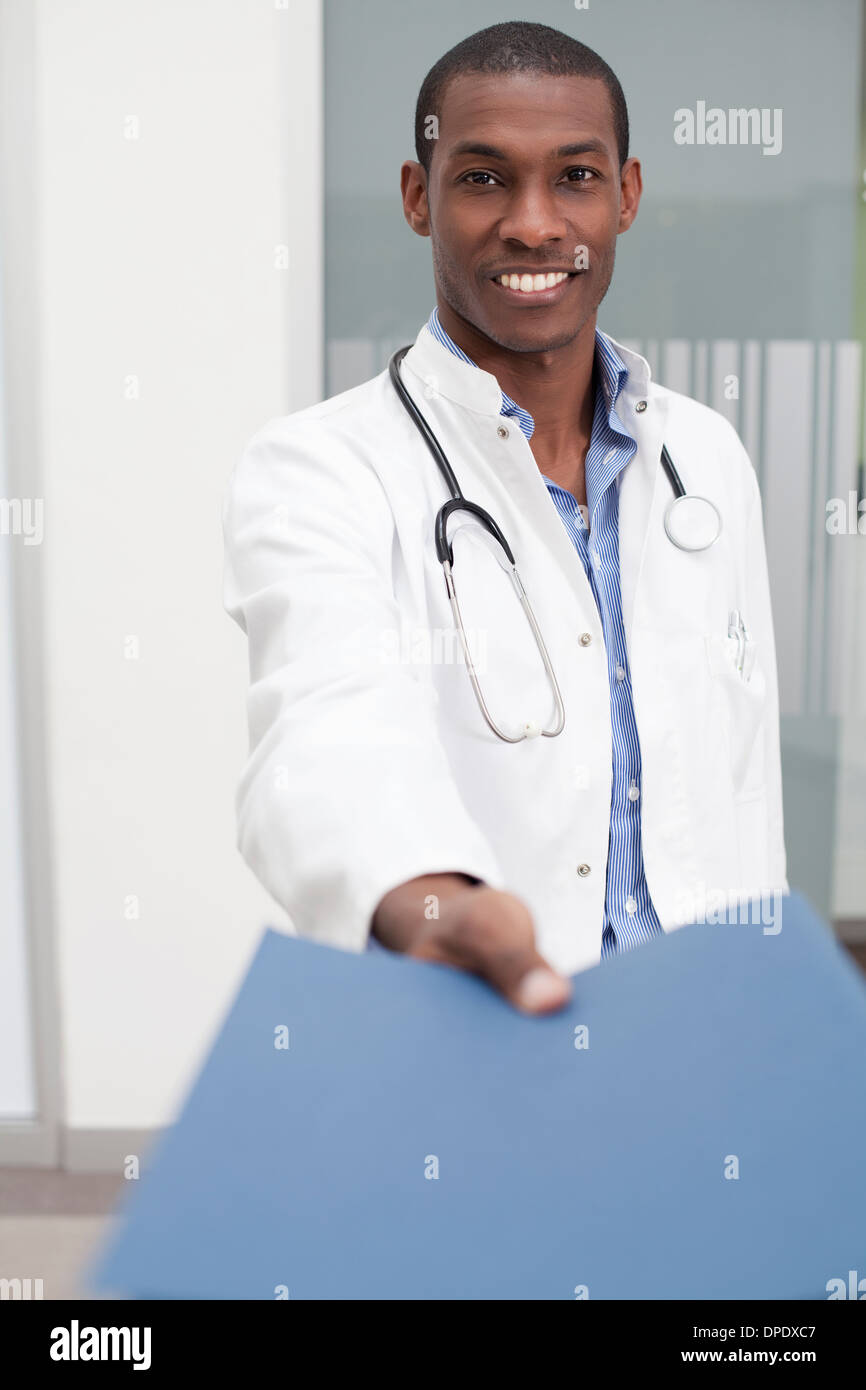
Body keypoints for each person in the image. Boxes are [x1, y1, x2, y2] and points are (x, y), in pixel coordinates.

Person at [222, 20, 788, 1016]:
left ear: (624, 196)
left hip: (705, 1021)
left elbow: (743, 775)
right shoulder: (318, 469)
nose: (532, 225)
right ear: (416, 196)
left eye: (573, 177)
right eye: (482, 179)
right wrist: (432, 901)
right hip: (489, 1015)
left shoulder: (704, 458)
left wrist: (766, 996)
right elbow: (324, 731)